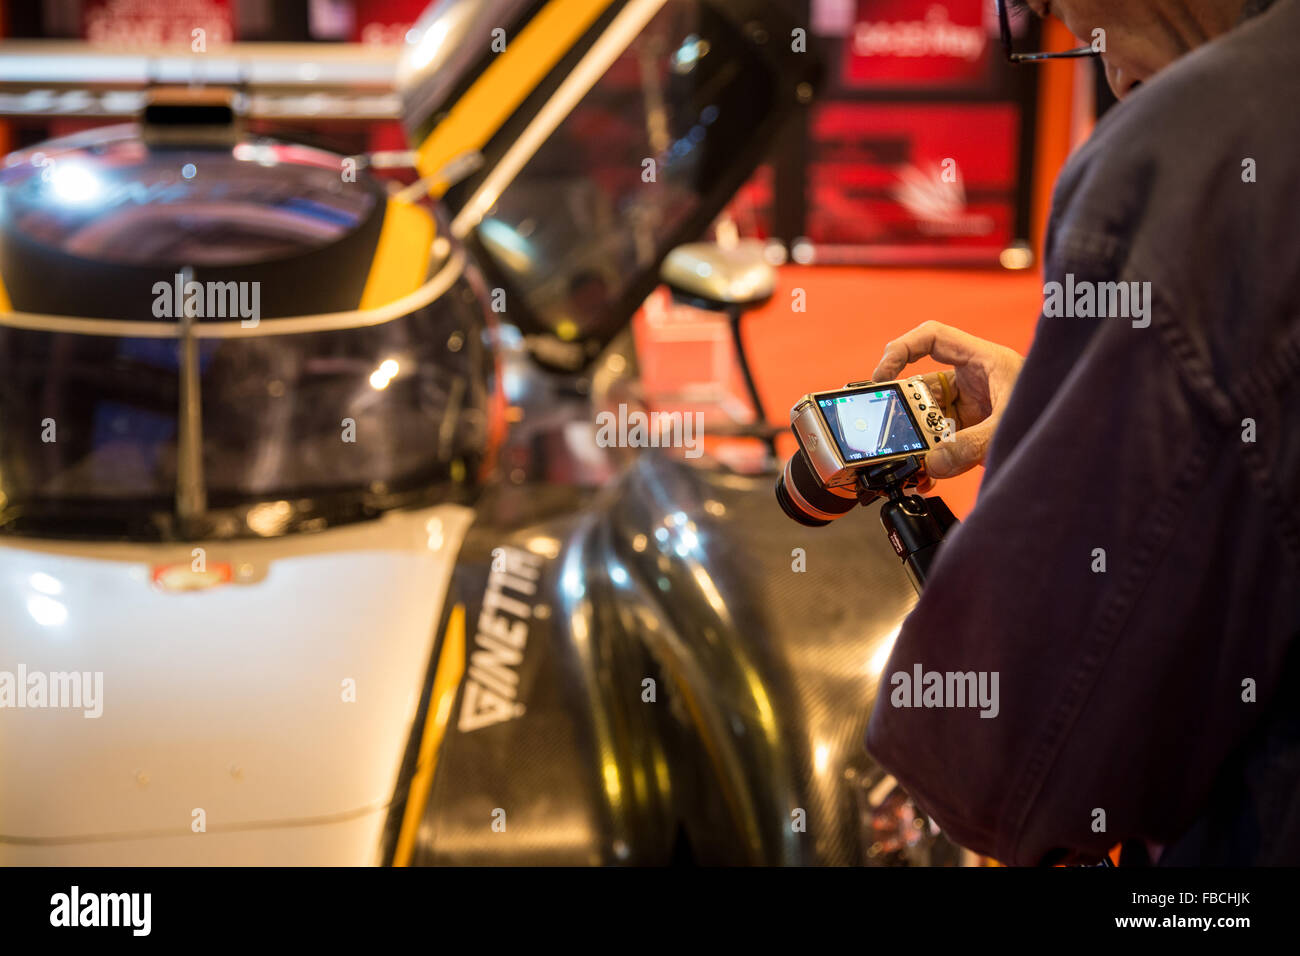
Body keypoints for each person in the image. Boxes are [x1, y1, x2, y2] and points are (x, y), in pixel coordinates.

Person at [865, 0, 1300, 865]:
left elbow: (996, 765)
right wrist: (1085, 408)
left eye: (1068, 15)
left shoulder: (1202, 152)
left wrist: (1068, 452)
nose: (1109, 74)